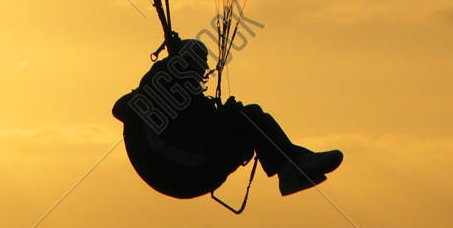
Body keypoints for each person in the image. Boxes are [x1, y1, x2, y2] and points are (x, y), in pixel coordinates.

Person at [112, 35, 343, 200]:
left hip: (187, 170)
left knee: (247, 117)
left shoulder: (173, 96)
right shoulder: (160, 97)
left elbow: (198, 122)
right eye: (197, 71)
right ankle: (290, 168)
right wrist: (228, 114)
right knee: (249, 115)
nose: (200, 77)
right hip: (185, 171)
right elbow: (200, 122)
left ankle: (291, 164)